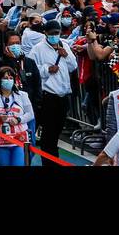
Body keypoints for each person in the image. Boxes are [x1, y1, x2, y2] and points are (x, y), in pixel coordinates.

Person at [30, 18, 78, 165]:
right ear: (45, 33)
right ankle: (50, 162)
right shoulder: (38, 49)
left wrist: (66, 55)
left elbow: (73, 66)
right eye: (51, 33)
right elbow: (30, 69)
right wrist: (47, 69)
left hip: (63, 97)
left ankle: (52, 159)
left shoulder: (64, 46)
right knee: (48, 135)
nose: (54, 36)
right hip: (48, 96)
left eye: (57, 33)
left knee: (56, 132)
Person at [0, 68, 34, 166]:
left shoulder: (22, 95)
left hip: (19, 139)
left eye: (11, 78)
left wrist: (19, 119)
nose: (9, 80)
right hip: (0, 141)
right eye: (5, 78)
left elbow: (30, 114)